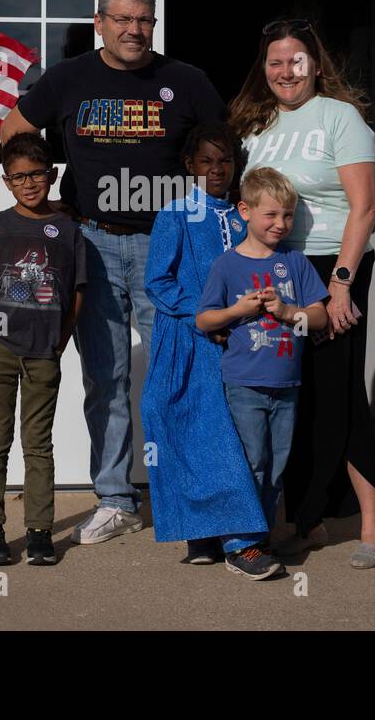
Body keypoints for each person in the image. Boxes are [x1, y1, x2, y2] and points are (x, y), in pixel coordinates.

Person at [0, 0, 225, 545]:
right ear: (99, 23)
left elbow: (222, 148)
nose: (134, 29)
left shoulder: (185, 82)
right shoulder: (68, 78)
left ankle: (191, 497)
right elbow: (16, 128)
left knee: (183, 371)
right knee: (107, 376)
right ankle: (116, 499)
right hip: (91, 244)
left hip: (164, 245)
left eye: (144, 19)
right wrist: (41, 196)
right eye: (122, 19)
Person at [229, 18, 375, 569]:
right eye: (275, 61)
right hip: (278, 266)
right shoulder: (258, 124)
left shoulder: (341, 118)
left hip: (333, 266)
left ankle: (372, 522)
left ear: (315, 65)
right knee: (289, 389)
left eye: (295, 60)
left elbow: (364, 207)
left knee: (339, 389)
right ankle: (310, 520)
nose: (284, 71)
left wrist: (342, 285)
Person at [140, 122, 269, 565]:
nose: (217, 169)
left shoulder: (244, 215)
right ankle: (208, 535)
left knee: (230, 433)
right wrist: (206, 314)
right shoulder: (176, 213)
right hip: (187, 337)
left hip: (239, 341)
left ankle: (233, 538)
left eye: (225, 161)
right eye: (206, 162)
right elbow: (157, 281)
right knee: (185, 426)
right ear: (189, 166)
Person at [196, 167, 329, 581]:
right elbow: (204, 320)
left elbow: (320, 318)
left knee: (276, 465)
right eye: (271, 215)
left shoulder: (295, 262)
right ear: (245, 211)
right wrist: (240, 311)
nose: (280, 224)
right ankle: (240, 544)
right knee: (251, 462)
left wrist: (288, 312)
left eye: (288, 216)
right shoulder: (227, 265)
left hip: (286, 384)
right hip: (244, 383)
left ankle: (259, 536)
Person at [0, 133, 85, 565]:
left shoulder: (68, 230)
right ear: (7, 183)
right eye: (19, 177)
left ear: (50, 175)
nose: (29, 183)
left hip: (43, 354)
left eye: (36, 174)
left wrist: (61, 340)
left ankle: (38, 530)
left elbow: (76, 293)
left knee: (38, 444)